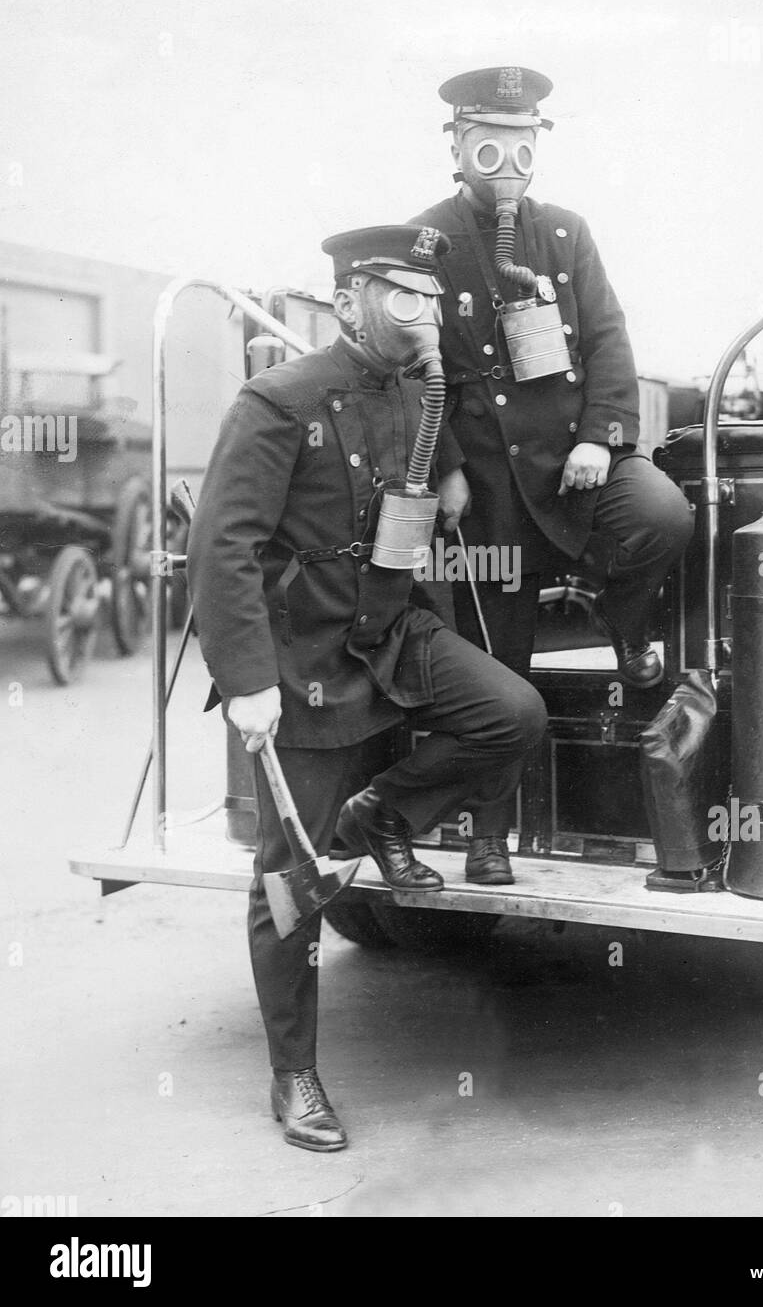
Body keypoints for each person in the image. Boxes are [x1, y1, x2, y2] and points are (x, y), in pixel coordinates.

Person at [187, 224, 547, 1152]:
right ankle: (293, 1072)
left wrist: (454, 473)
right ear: (348, 301)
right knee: (286, 883)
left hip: (393, 631)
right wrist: (248, 681)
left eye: (430, 299)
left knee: (510, 714)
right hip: (302, 657)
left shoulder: (418, 395)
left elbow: (421, 480)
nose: (422, 314)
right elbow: (220, 547)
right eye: (403, 296)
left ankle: (380, 815)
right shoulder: (278, 400)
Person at [409, 65, 694, 885]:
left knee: (661, 515)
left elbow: (607, 336)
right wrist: (447, 472)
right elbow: (413, 370)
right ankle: (487, 836)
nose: (507, 162)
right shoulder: (423, 241)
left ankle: (626, 624)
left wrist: (603, 438)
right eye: (488, 144)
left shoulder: (566, 233)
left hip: (574, 461)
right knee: (499, 671)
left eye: (522, 144)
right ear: (457, 147)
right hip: (487, 489)